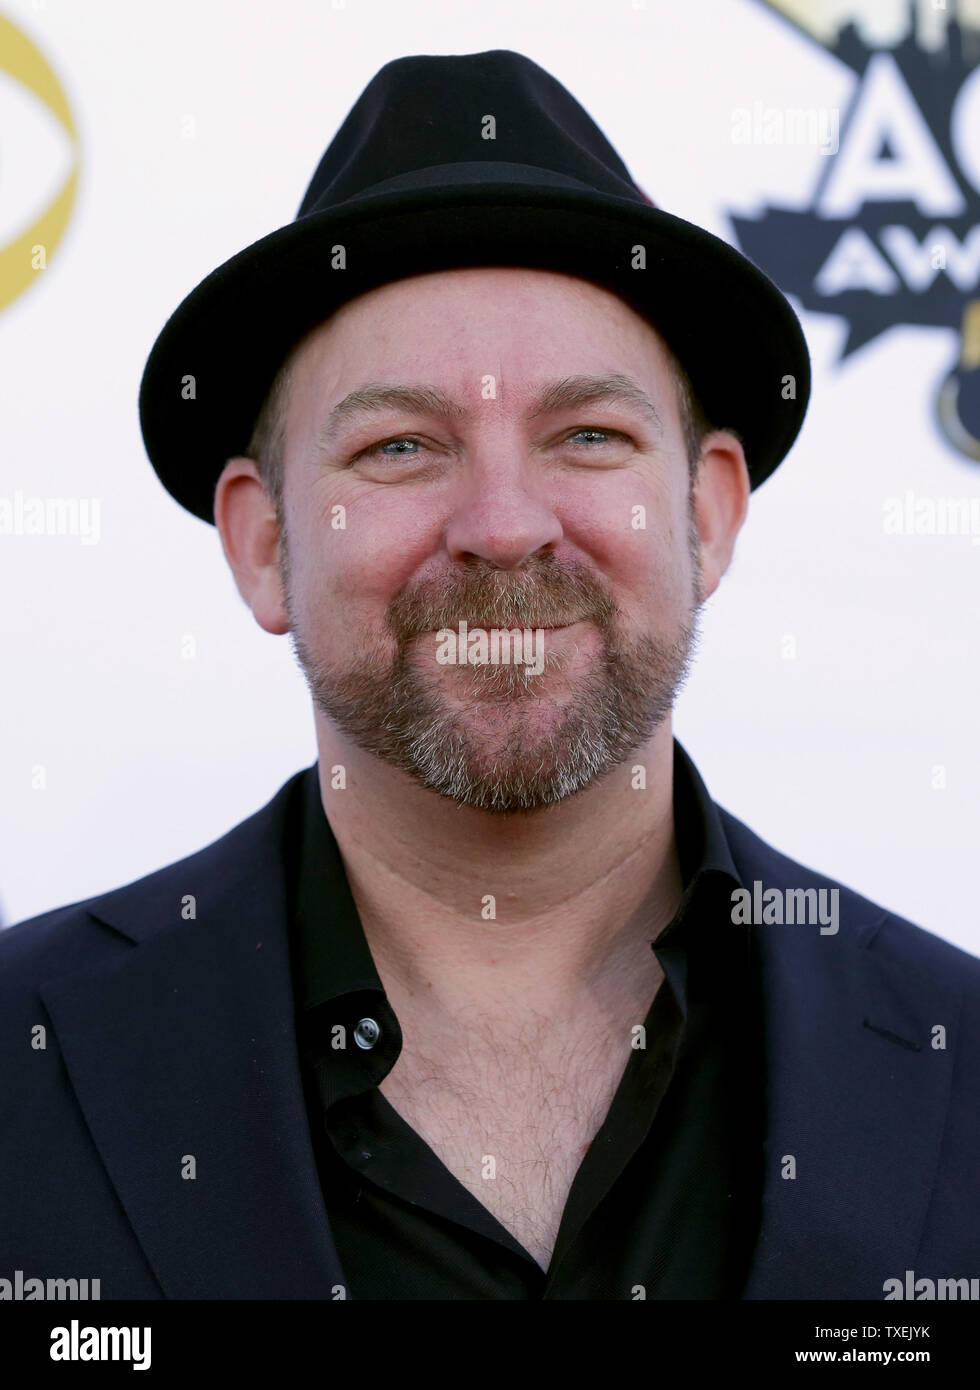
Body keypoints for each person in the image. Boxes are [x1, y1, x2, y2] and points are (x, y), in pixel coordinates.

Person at [2, 50, 977, 1302]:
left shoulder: (950, 1066)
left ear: (708, 515)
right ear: (262, 542)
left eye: (587, 435)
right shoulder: (29, 1062)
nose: (504, 525)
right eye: (401, 445)